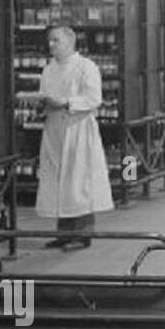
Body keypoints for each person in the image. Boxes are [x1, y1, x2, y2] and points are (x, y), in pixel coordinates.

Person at [35, 25, 114, 250]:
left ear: (70, 42)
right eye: (49, 41)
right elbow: (45, 94)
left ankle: (83, 233)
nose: (51, 45)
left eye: (55, 41)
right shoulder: (49, 69)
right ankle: (64, 233)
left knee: (79, 181)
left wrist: (67, 103)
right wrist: (41, 104)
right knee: (60, 180)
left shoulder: (86, 67)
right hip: (55, 130)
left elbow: (94, 98)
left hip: (78, 128)